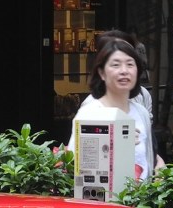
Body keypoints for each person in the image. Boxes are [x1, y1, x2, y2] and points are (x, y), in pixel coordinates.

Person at [68, 38, 164, 181]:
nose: (124, 71)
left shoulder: (141, 112)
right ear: (101, 73)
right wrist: (117, 142)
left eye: (130, 64)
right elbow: (74, 163)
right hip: (103, 200)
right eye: (116, 65)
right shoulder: (90, 112)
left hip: (141, 201)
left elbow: (148, 160)